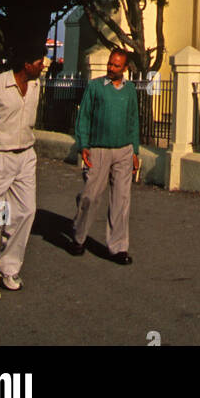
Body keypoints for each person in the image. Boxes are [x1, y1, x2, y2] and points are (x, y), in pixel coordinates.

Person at [0, 47, 45, 301]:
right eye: (39, 61)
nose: (43, 65)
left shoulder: (36, 86)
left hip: (25, 157)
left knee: (25, 211)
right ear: (26, 64)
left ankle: (8, 267)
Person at [68, 48, 140, 264]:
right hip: (98, 149)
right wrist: (84, 145)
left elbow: (133, 121)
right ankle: (79, 237)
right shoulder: (95, 87)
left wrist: (135, 151)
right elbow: (84, 117)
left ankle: (118, 248)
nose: (111, 68)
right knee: (90, 196)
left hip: (123, 150)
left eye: (116, 65)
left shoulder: (130, 91)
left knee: (121, 200)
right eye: (110, 63)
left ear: (125, 68)